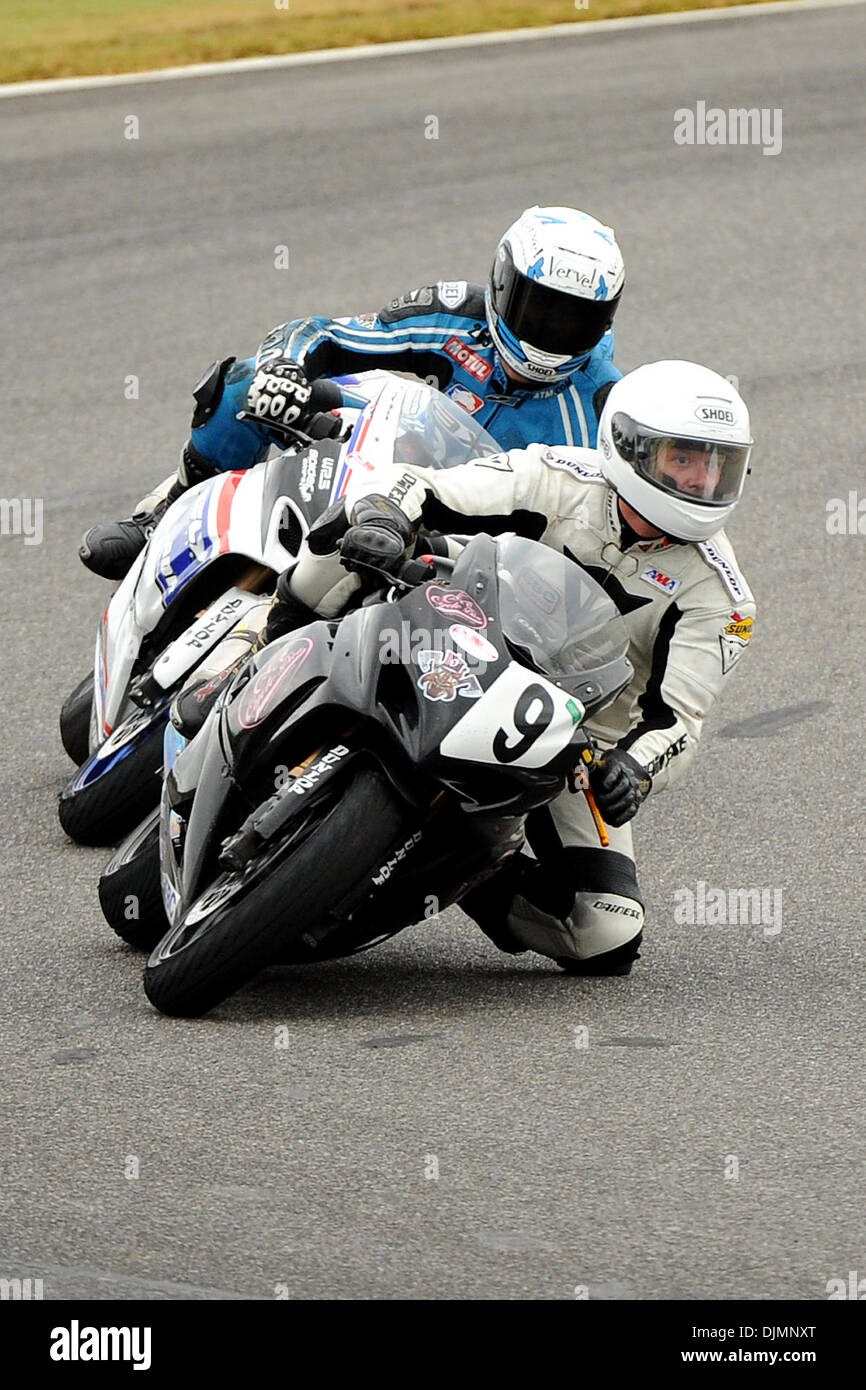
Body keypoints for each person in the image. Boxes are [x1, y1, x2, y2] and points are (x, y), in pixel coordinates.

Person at [241, 359, 756, 976]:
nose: (702, 480)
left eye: (717, 465)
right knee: (355, 533)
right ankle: (261, 662)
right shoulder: (558, 474)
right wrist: (385, 517)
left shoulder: (723, 598)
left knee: (604, 931)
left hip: (565, 738)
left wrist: (635, 771)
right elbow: (422, 486)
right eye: (684, 459)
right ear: (631, 448)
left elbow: (679, 720)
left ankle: (471, 862)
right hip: (460, 624)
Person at [79, 205, 625, 580]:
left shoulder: (606, 406)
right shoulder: (455, 316)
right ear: (504, 286)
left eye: (575, 321)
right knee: (249, 385)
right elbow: (324, 333)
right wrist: (285, 366)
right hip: (398, 448)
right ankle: (166, 517)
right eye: (541, 308)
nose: (550, 334)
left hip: (469, 534)